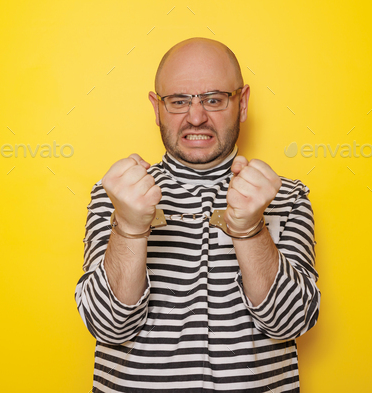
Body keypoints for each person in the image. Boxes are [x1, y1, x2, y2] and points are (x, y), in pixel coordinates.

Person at [75, 37, 320, 392]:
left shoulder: (285, 196)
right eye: (178, 101)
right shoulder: (117, 194)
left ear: (243, 103)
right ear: (156, 108)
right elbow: (108, 326)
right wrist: (128, 228)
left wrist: (251, 231)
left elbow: (290, 324)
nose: (196, 117)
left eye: (214, 99)